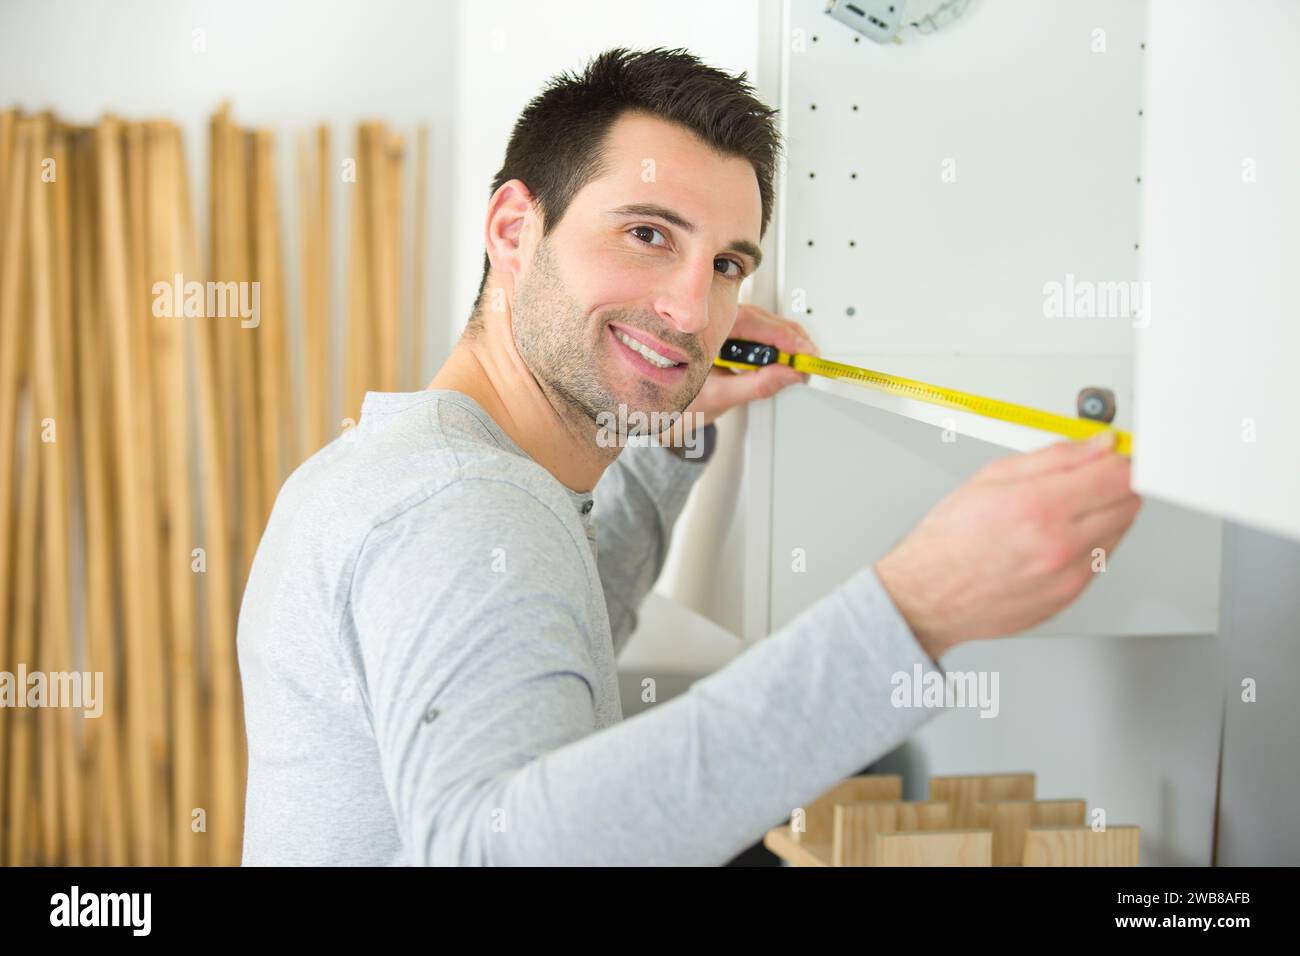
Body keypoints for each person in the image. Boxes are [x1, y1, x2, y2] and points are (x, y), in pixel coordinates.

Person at [237, 47, 1141, 865]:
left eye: (726, 265)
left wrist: (669, 430)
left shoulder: (407, 466)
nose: (689, 310)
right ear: (514, 229)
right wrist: (913, 612)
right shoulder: (467, 508)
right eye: (648, 234)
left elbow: (556, 625)